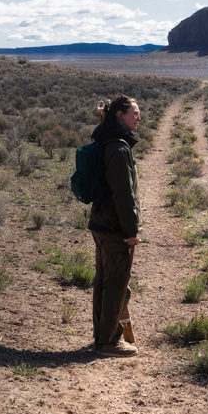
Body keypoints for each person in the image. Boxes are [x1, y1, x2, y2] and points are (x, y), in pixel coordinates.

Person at [88, 95, 142, 358]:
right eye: (134, 112)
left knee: (105, 282)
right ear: (120, 115)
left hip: (101, 224)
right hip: (114, 228)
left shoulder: (107, 142)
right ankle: (109, 341)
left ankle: (101, 337)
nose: (138, 117)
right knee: (116, 285)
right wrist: (131, 231)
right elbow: (124, 194)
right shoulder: (119, 149)